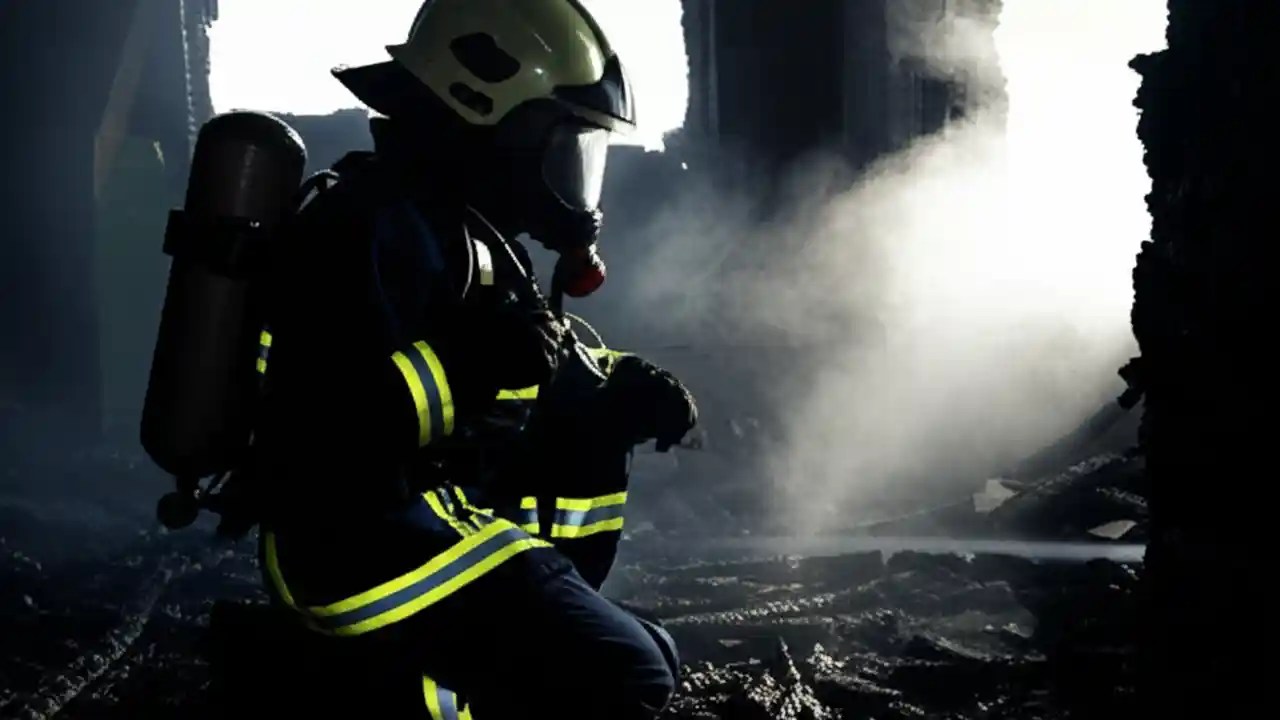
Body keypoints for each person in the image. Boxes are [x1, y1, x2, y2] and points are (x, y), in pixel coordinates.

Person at [249, 1, 697, 717]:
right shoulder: (368, 227)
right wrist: (470, 365)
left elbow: (536, 359)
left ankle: (481, 652)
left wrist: (620, 384)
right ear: (491, 121)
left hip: (428, 520)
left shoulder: (460, 232)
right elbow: (317, 437)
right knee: (627, 675)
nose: (575, 176)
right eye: (567, 145)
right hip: (356, 551)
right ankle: (332, 687)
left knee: (651, 653)